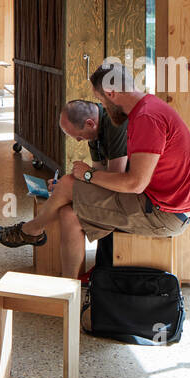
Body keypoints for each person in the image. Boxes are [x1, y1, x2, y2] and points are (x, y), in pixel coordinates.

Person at [0, 59, 190, 279]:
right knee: (68, 213)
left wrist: (87, 174)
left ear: (111, 93)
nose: (102, 106)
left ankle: (32, 231)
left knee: (67, 184)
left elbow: (135, 183)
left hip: (164, 213)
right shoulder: (147, 108)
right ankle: (71, 290)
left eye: (100, 100)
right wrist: (86, 178)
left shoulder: (146, 118)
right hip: (160, 204)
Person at [60, 96, 127, 274]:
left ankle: (33, 230)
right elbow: (98, 174)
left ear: (90, 123)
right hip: (122, 189)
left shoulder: (115, 123)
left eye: (79, 136)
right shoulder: (94, 134)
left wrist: (86, 177)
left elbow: (113, 177)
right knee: (65, 196)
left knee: (73, 207)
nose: (78, 141)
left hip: (133, 192)